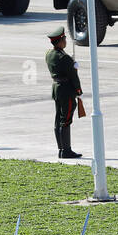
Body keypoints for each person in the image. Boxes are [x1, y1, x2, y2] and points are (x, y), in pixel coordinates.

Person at [46, 26, 82, 158]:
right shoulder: (64, 58)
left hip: (56, 88)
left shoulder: (49, 54)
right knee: (65, 120)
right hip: (66, 90)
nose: (66, 41)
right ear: (60, 41)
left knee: (58, 120)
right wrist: (78, 90)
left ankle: (61, 149)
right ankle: (66, 150)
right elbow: (73, 77)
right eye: (65, 39)